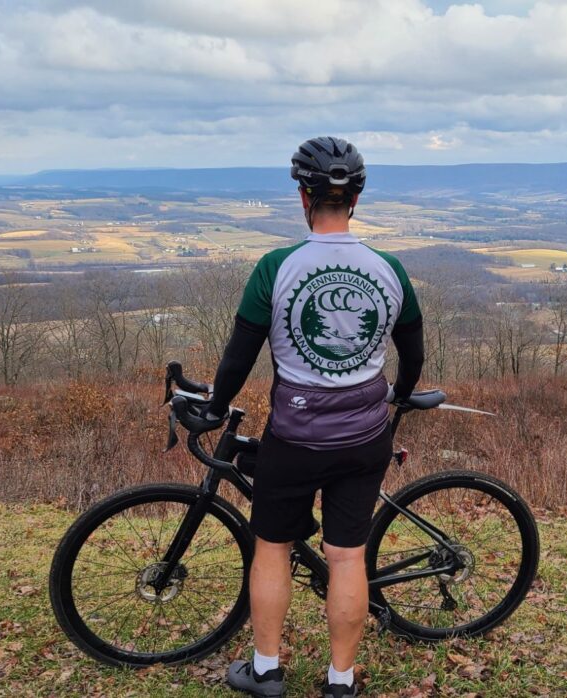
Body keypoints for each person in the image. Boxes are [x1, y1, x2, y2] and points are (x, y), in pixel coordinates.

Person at [207, 136, 424, 698]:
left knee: (273, 548)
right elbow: (415, 355)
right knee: (347, 555)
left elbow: (238, 357)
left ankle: (266, 672)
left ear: (303, 196)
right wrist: (397, 394)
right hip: (365, 436)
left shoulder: (277, 267)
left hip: (295, 437)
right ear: (355, 199)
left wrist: (213, 405)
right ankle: (340, 682)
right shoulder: (389, 269)